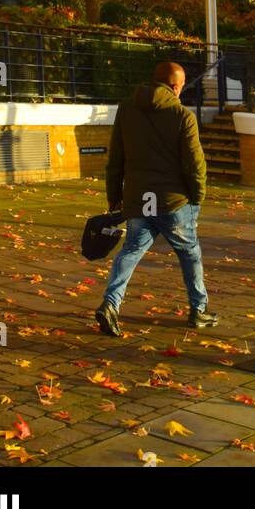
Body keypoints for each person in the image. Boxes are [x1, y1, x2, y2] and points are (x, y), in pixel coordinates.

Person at [94, 59, 217, 335]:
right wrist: (197, 197)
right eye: (182, 86)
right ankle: (199, 310)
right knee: (190, 253)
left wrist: (114, 195)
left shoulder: (127, 109)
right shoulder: (182, 116)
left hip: (139, 199)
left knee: (131, 251)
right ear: (175, 86)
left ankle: (110, 304)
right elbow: (195, 163)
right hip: (173, 201)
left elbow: (116, 158)